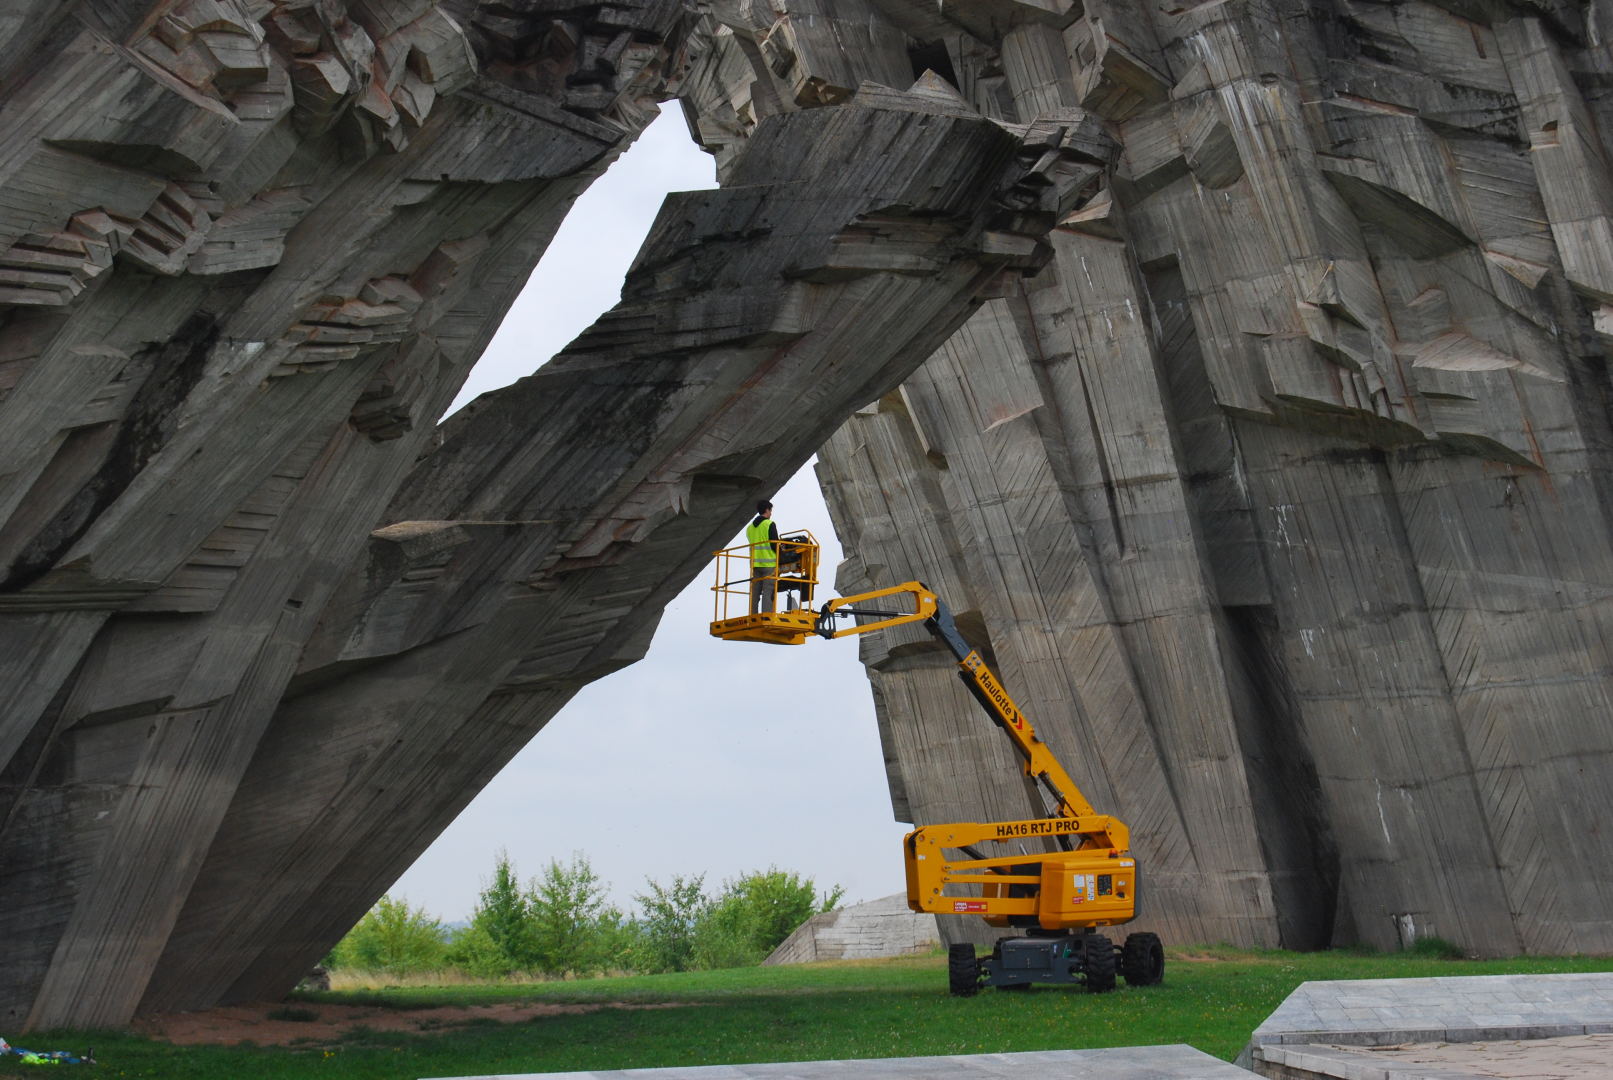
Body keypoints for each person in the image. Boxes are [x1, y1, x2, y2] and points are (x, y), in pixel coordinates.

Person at [747, 499, 780, 613]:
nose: (771, 514)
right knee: (768, 591)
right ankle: (766, 615)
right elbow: (774, 544)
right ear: (767, 510)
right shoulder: (769, 524)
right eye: (770, 511)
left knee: (755, 591)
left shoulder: (750, 528)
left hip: (755, 564)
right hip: (768, 563)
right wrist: (782, 552)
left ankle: (753, 615)